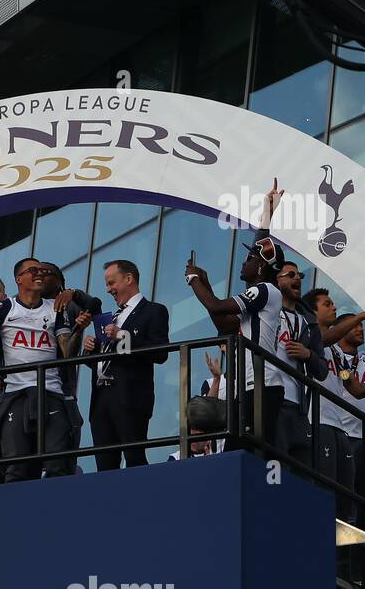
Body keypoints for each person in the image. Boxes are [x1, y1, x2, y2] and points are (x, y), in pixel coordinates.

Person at [187, 178, 286, 452]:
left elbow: (218, 307)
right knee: (237, 452)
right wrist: (205, 284)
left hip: (262, 385)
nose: (244, 262)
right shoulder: (259, 294)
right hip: (250, 386)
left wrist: (194, 280)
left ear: (261, 268)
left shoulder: (266, 290)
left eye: (250, 258)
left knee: (248, 454)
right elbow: (222, 321)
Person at [0, 257, 89, 482]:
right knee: (16, 468)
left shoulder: (55, 308)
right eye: (33, 270)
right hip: (16, 395)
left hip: (52, 393)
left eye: (42, 271)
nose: (40, 274)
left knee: (57, 464)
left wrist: (78, 330)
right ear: (18, 279)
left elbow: (67, 352)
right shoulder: (6, 306)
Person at [303, 286, 365, 521]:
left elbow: (354, 388)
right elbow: (323, 340)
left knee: (350, 500)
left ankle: (352, 551)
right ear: (313, 312)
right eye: (327, 304)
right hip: (317, 423)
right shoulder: (309, 336)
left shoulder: (337, 354)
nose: (333, 306)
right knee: (326, 495)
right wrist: (361, 315)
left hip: (339, 430)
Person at [82, 259, 169, 470]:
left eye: (112, 283)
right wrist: (90, 350)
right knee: (104, 465)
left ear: (128, 279)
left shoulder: (154, 310)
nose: (108, 289)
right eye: (107, 284)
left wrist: (122, 336)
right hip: (101, 397)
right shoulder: (110, 317)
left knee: (134, 458)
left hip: (131, 395)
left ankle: (141, 500)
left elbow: (160, 352)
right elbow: (107, 358)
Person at [271, 260, 328, 466]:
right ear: (276, 281)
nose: (297, 278)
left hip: (299, 408)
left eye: (299, 276)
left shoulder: (309, 323)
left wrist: (307, 354)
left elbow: (322, 371)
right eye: (290, 274)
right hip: (272, 400)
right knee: (276, 471)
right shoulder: (266, 313)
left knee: (303, 474)